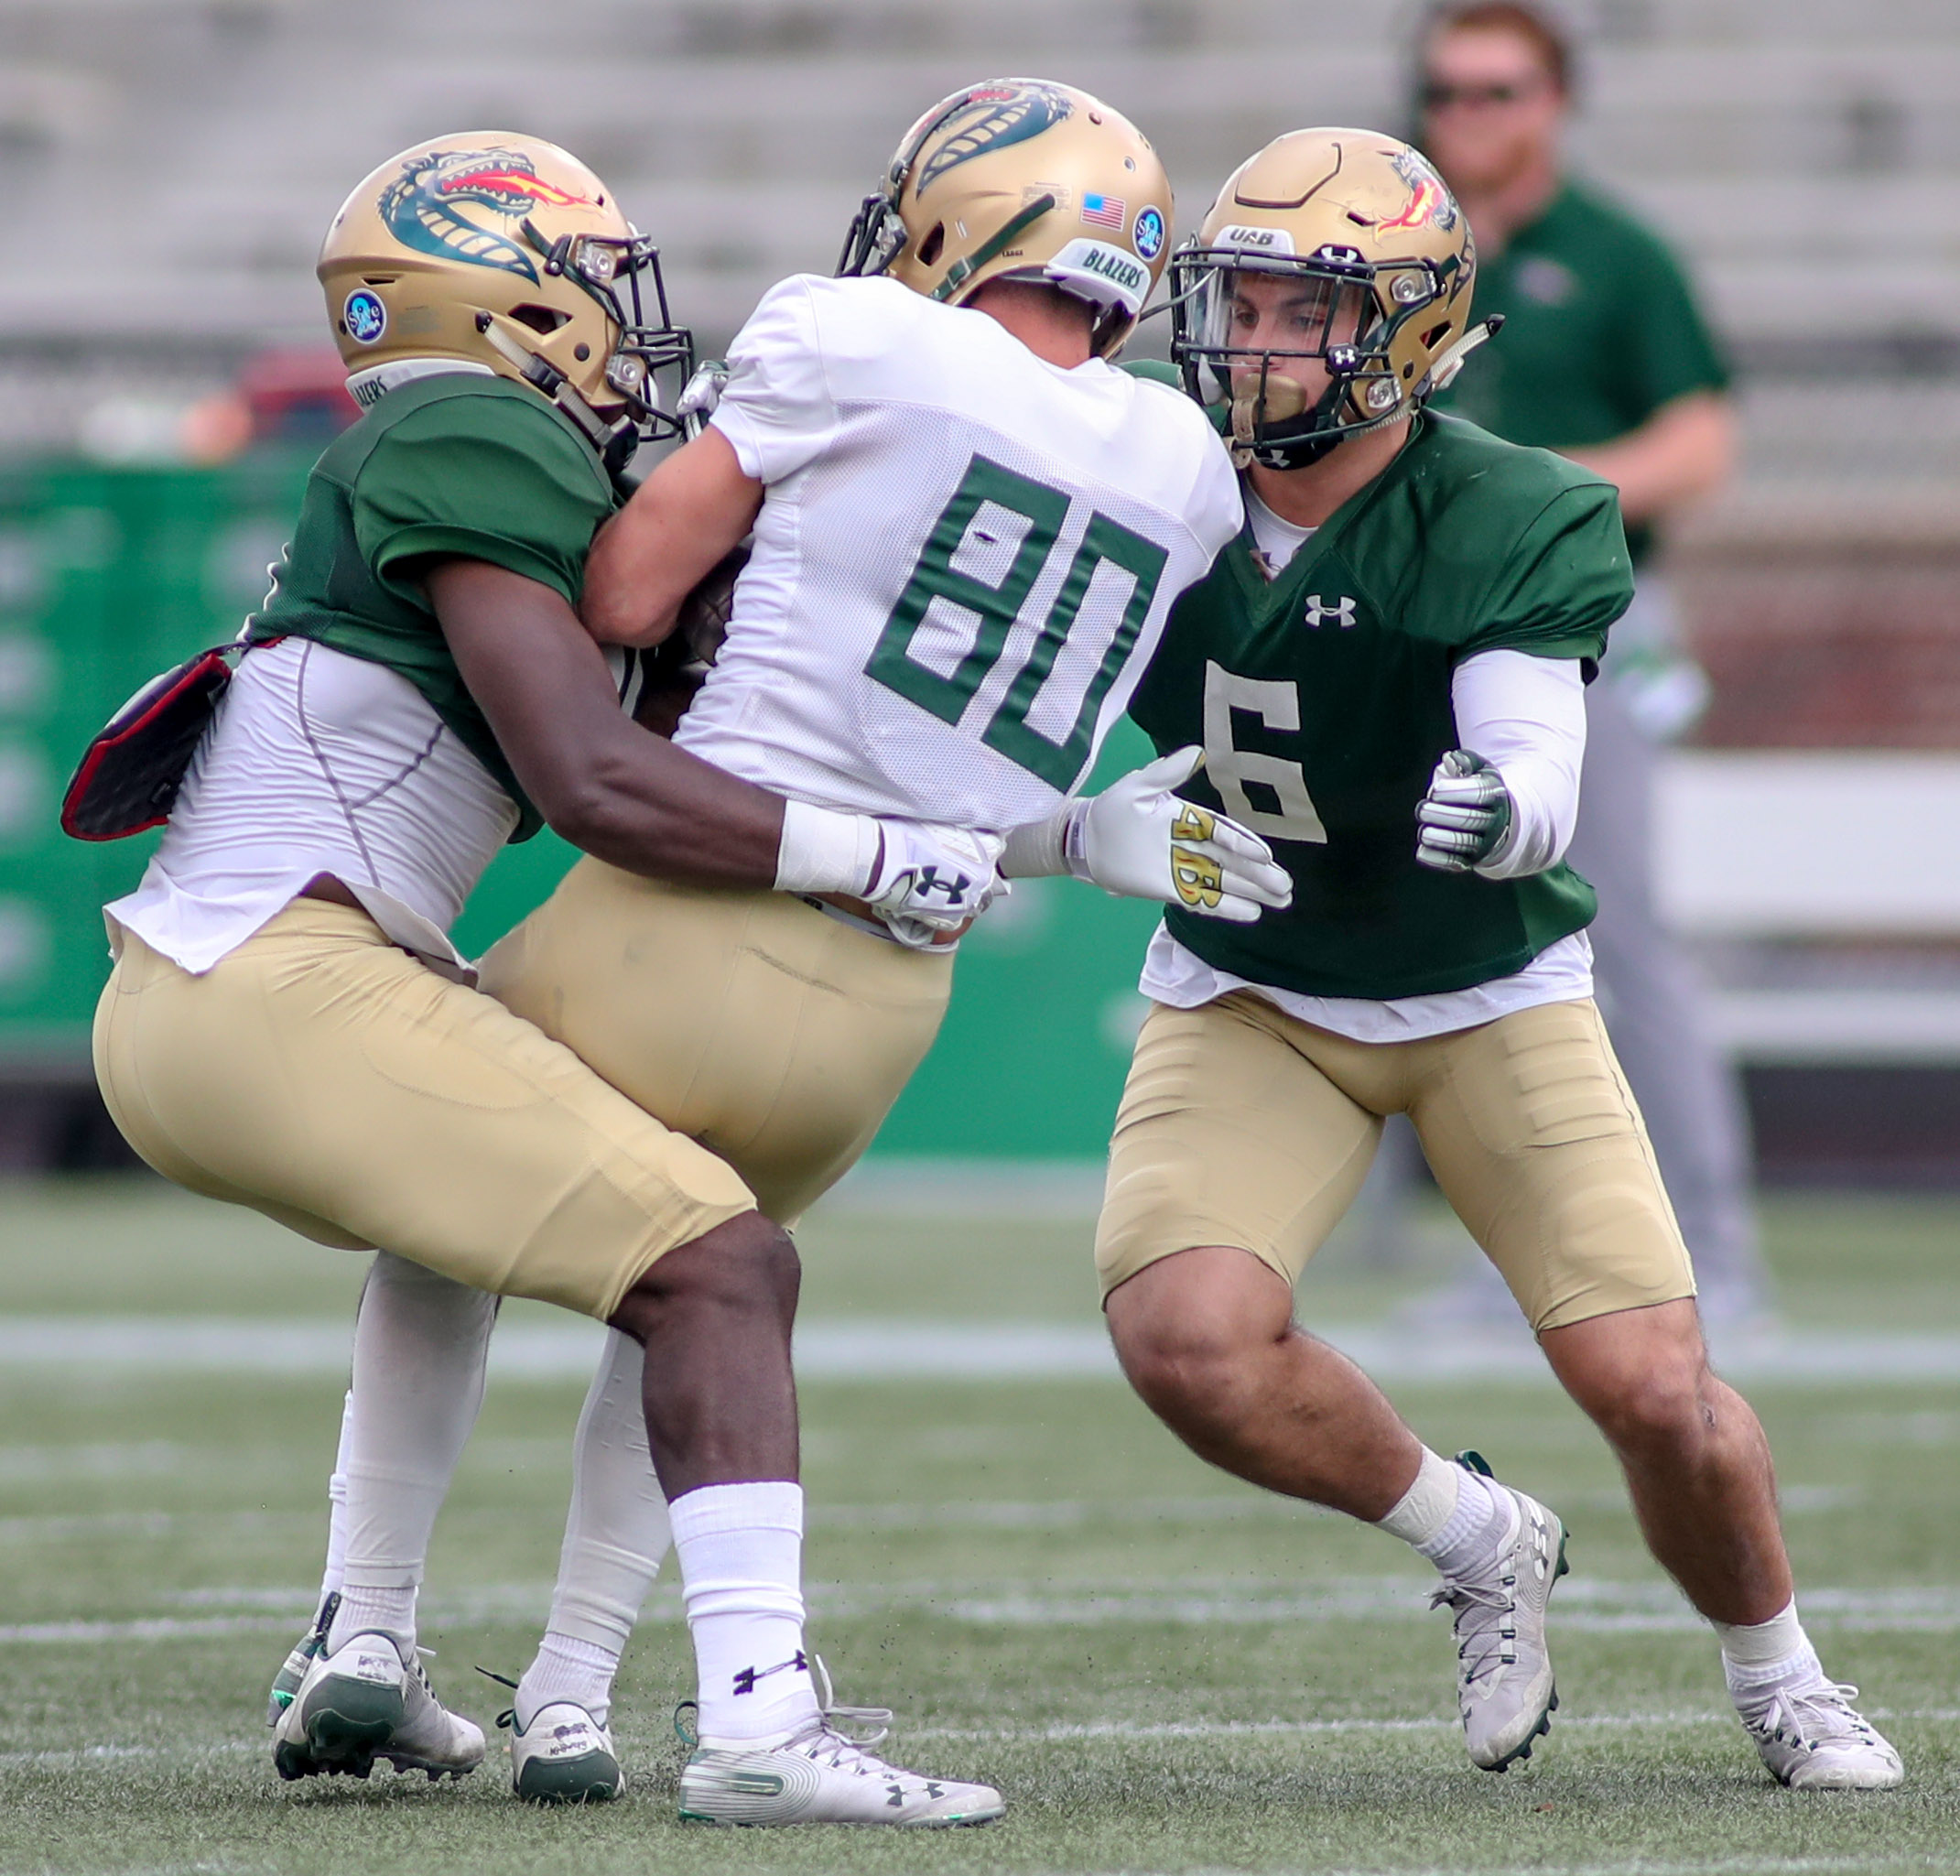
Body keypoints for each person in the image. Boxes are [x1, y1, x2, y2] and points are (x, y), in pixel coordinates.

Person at [208, 91, 1279, 1816]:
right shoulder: (1178, 463)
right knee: (695, 1283)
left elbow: (628, 600)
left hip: (676, 927)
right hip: (879, 1007)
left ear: (961, 226)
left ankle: (374, 1617)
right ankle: (565, 1691)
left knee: (452, 1221)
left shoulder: (847, 331)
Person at [1093, 126, 1902, 1792]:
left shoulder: (1505, 505)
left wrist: (1520, 805)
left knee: (1655, 1390)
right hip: (1252, 988)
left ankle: (1781, 1671)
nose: (1245, 338)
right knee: (1184, 1335)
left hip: (1483, 996)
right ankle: (1475, 1533)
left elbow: (1529, 734)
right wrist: (1059, 824)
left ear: (1401, 336)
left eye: (1295, 307)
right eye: (1233, 294)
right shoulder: (1139, 467)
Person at [1417, 0, 1770, 1328]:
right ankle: (1507, 1257)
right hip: (1420, 616)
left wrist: (1530, 497)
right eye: (1448, 91)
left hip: (1580, 616)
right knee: (1453, 934)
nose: (1469, 116)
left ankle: (1716, 1253)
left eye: (1498, 91)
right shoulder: (1405, 247)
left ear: (1555, 101)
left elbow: (1698, 443)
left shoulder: (1616, 255)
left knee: (1612, 925)